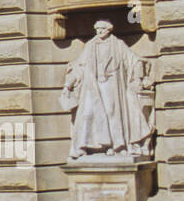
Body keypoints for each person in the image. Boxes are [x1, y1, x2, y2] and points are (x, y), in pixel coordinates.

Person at [61, 20, 153, 158]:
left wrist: (139, 78)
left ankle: (117, 146)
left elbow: (135, 60)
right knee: (87, 114)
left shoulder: (118, 45)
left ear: (109, 29)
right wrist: (67, 85)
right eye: (97, 28)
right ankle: (83, 146)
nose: (99, 31)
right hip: (92, 87)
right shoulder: (90, 46)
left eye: (102, 28)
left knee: (113, 114)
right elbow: (79, 67)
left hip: (112, 85)